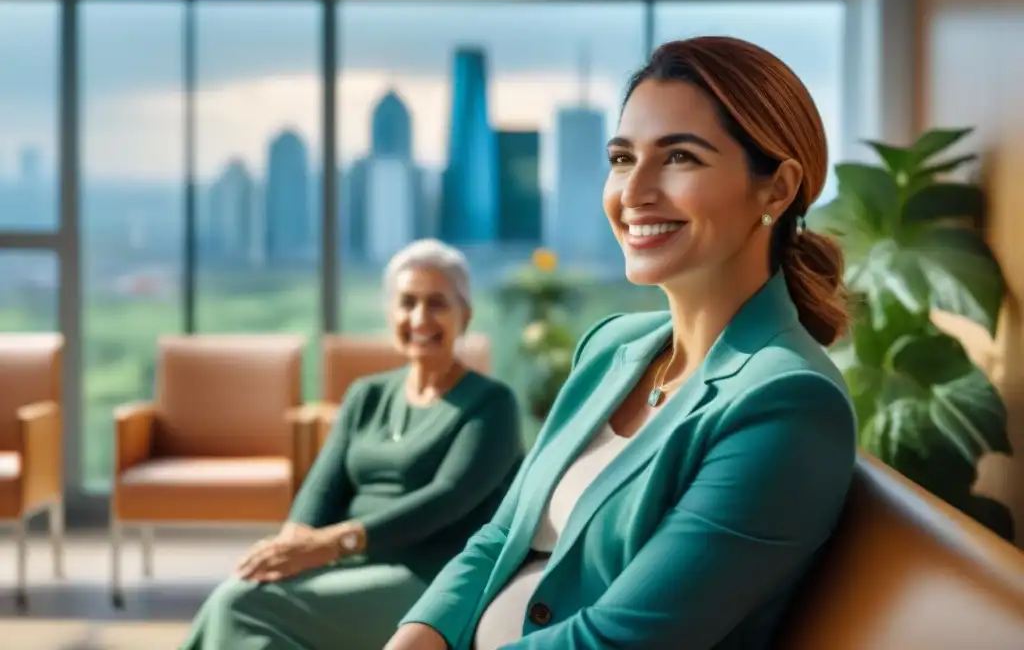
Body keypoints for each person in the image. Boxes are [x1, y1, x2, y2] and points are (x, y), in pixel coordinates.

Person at [385, 37, 858, 650]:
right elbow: (501, 537)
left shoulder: (788, 402)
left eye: (680, 157)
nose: (634, 192)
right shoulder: (611, 349)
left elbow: (624, 640)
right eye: (622, 158)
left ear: (776, 189)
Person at [180, 239, 524, 650]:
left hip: (431, 579)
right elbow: (323, 486)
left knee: (241, 607)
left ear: (464, 315)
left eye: (437, 303)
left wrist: (331, 544)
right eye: (407, 302)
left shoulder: (492, 405)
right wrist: (290, 546)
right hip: (350, 563)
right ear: (391, 312)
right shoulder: (367, 395)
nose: (420, 317)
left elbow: (445, 499)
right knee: (241, 590)